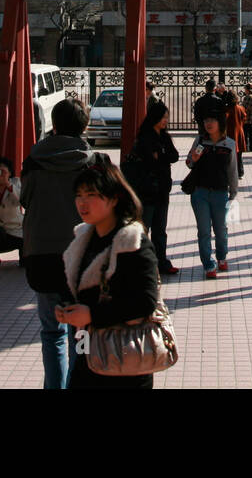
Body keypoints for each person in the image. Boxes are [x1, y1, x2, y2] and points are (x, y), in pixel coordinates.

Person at [56, 160, 161, 390]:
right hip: (88, 354)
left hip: (126, 359)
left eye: (91, 194)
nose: (82, 202)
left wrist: (92, 314)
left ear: (114, 199)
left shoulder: (133, 242)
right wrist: (66, 307)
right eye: (79, 195)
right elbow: (75, 286)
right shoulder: (83, 238)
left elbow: (145, 302)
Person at [21, 97, 98, 389]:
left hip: (42, 254)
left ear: (54, 124)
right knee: (81, 331)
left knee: (51, 332)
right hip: (83, 258)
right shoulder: (93, 162)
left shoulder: (34, 160)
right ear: (84, 125)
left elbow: (25, 199)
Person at [122, 100, 180, 276]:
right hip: (147, 191)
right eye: (163, 117)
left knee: (160, 230)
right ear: (155, 117)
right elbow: (149, 162)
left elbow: (174, 156)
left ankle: (161, 261)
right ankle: (143, 263)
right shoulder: (145, 138)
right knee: (144, 228)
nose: (165, 121)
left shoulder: (164, 137)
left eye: (166, 117)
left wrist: (160, 156)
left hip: (162, 190)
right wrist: (161, 157)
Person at [186, 112, 239, 279]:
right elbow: (189, 162)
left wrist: (234, 192)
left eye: (212, 120)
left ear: (220, 123)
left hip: (220, 192)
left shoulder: (229, 144)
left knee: (221, 229)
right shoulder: (200, 141)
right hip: (200, 192)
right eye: (206, 120)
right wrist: (193, 159)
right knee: (203, 230)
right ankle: (209, 265)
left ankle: (222, 256)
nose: (209, 124)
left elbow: (233, 170)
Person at [240, 83, 252, 152]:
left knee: (246, 134)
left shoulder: (248, 97)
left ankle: (246, 147)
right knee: (251, 134)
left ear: (247, 90)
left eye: (245, 89)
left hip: (248, 119)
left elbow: (245, 108)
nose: (244, 90)